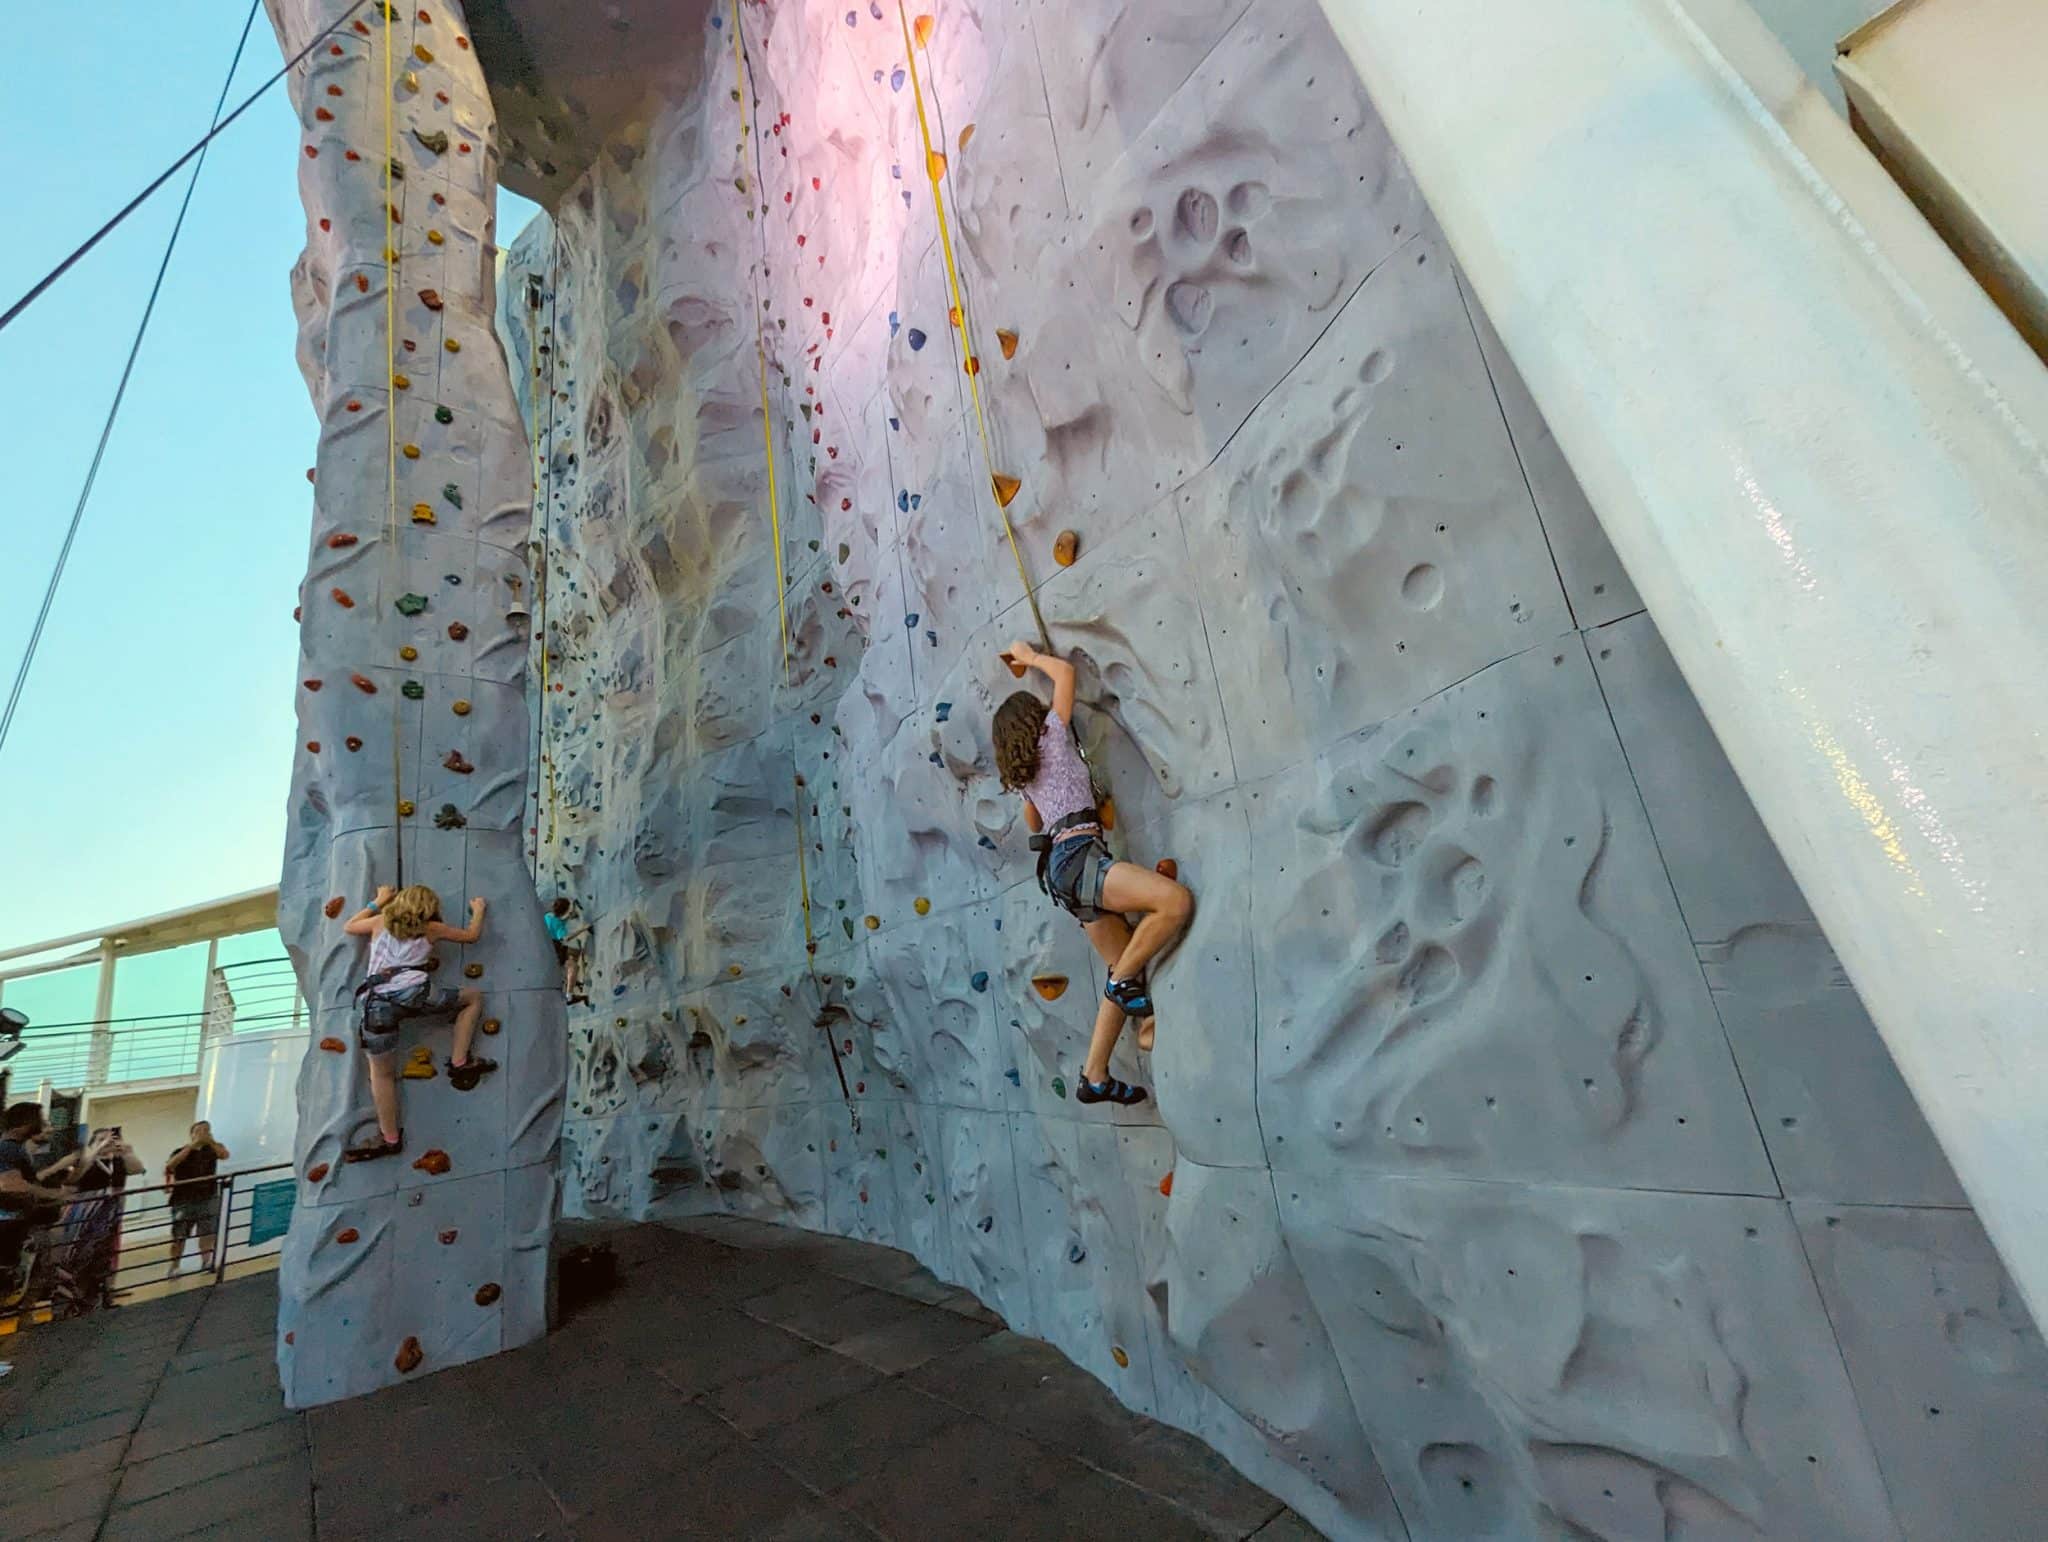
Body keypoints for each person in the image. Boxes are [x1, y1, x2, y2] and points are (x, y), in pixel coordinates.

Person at [994, 639, 1193, 1106]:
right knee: (1173, 902)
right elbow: (1065, 675)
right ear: (1034, 721)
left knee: (1124, 964)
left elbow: (1033, 822)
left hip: (1060, 874)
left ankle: (1095, 1074)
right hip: (1081, 855)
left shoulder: (1026, 778)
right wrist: (1030, 657)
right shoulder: (1051, 735)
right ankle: (1124, 991)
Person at [338, 883, 496, 1162]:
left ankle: (389, 1139)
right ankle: (459, 1061)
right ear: (429, 908)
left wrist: (379, 900)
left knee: (381, 1075)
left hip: (376, 1004)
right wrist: (479, 910)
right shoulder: (431, 928)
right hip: (415, 994)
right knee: (472, 998)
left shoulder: (379, 922)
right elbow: (471, 936)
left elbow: (349, 926)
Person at [0, 1103, 90, 1294]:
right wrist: (54, 1194)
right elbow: (11, 1186)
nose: (43, 1125)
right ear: (25, 1123)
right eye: (39, 1119)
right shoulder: (8, 1149)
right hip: (9, 1226)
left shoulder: (17, 1149)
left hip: (20, 1225)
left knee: (31, 1276)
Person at [55, 1124, 142, 1314]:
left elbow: (137, 1169)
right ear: (92, 1142)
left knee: (106, 1254)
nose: (108, 1142)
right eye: (102, 1139)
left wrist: (127, 1152)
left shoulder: (118, 1160)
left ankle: (102, 1297)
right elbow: (72, 1179)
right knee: (79, 1255)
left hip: (110, 1215)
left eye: (111, 1138)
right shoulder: (84, 1159)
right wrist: (96, 1150)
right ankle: (72, 1300)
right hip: (83, 1216)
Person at [164, 1121, 231, 1277]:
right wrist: (192, 1146)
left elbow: (224, 1155)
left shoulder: (213, 1149)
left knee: (207, 1231)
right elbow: (171, 1165)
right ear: (192, 1134)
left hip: (208, 1197)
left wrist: (211, 1142)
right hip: (183, 1199)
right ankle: (174, 1266)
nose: (203, 1133)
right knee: (179, 1235)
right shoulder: (180, 1151)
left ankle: (206, 1262)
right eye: (199, 1131)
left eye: (206, 1130)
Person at [545, 897, 591, 1004]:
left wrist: (568, 917)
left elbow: (556, 923)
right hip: (555, 951)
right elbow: (565, 938)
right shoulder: (559, 926)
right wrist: (583, 929)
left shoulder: (547, 916)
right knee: (574, 967)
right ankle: (569, 996)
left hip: (547, 946)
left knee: (574, 953)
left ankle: (571, 981)